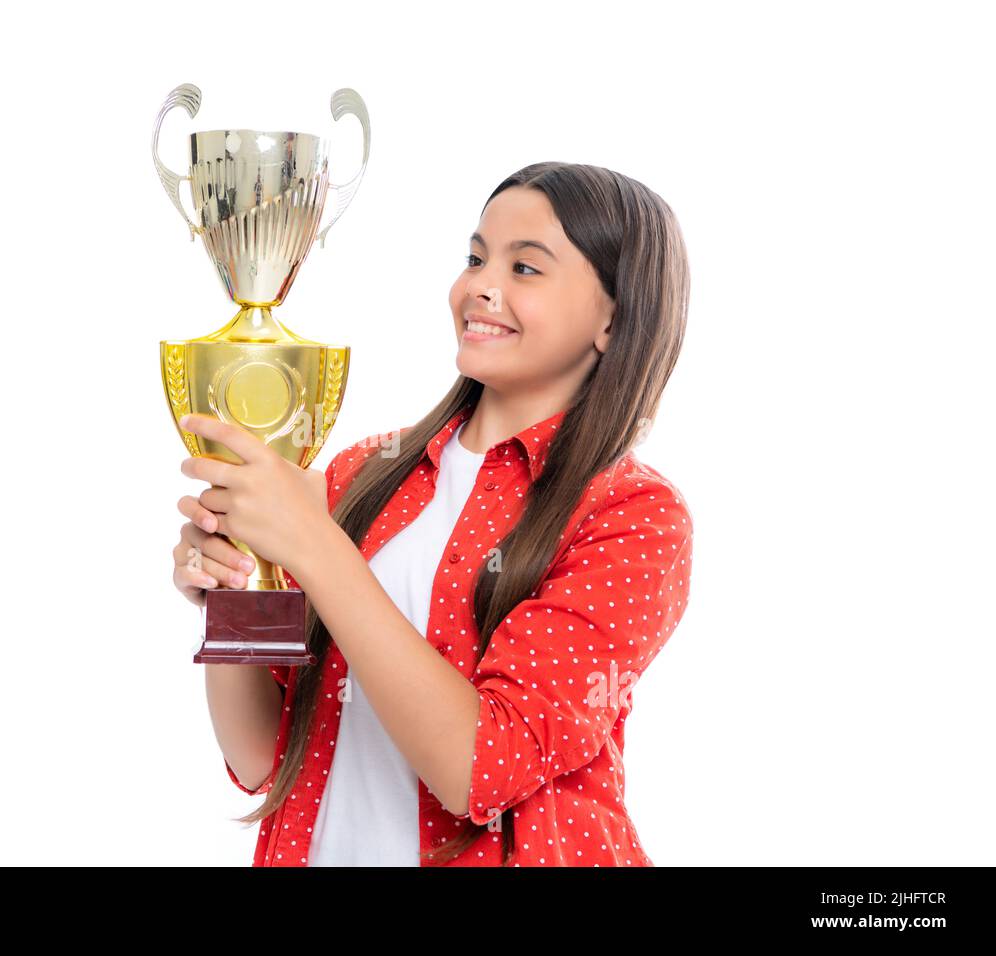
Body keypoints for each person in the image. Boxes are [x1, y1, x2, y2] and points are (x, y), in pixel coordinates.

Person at [172, 161, 694, 866]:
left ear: (613, 316)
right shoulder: (361, 473)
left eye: (525, 268)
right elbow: (263, 757)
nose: (481, 285)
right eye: (476, 257)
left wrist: (316, 546)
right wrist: (234, 591)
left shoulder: (633, 515)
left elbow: (480, 768)